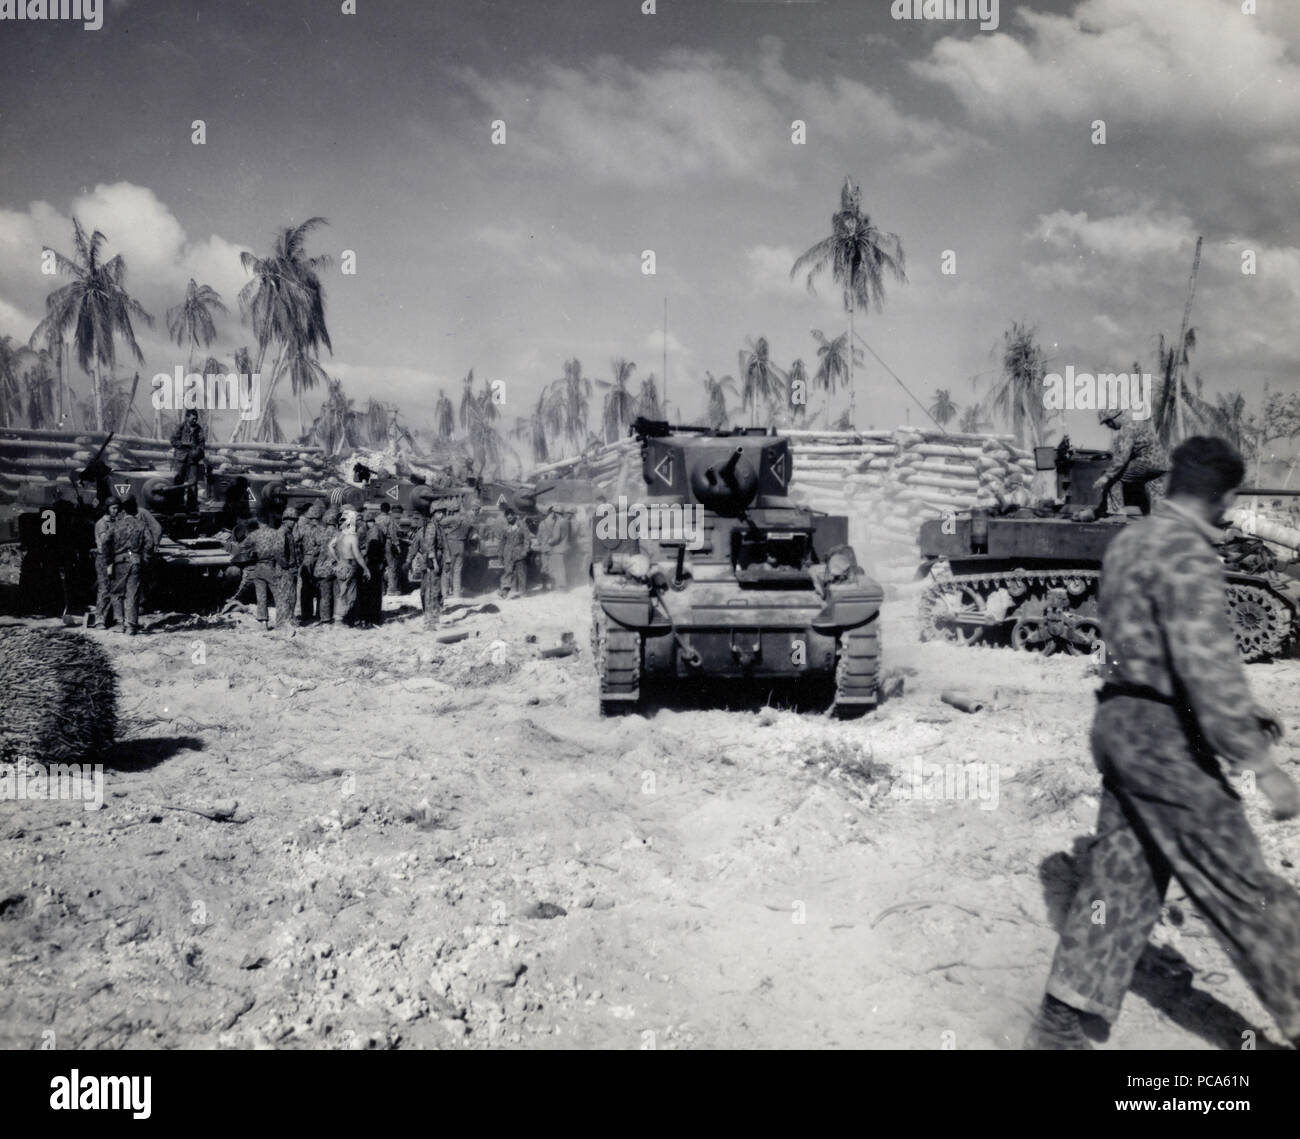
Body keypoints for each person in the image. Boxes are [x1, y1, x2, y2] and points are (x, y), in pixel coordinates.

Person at [1026, 436, 1300, 1050]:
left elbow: (1152, 645)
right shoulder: (1187, 553)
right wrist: (1260, 761)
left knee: (1122, 880)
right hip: (1166, 741)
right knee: (1245, 886)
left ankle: (1061, 1021)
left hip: (1120, 724)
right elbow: (1206, 665)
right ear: (1225, 496)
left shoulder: (1131, 542)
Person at [1095, 407, 1168, 516]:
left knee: (1114, 477)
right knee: (1154, 487)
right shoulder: (1135, 422)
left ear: (1113, 418)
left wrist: (1106, 476)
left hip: (1148, 462)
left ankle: (1115, 513)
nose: (1108, 426)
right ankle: (1158, 515)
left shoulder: (1127, 428)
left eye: (1107, 423)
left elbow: (1122, 458)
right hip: (1162, 464)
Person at [234, 516, 297, 631]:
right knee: (279, 595)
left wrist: (253, 553)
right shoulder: (275, 533)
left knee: (261, 596)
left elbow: (240, 547)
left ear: (259, 524)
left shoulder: (254, 534)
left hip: (258, 567)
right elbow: (281, 549)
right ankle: (281, 621)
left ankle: (263, 623)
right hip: (271, 566)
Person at [102, 495, 148, 634]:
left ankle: (119, 623)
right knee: (132, 593)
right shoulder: (141, 524)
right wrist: (144, 558)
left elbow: (105, 543)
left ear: (123, 510)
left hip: (119, 561)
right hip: (135, 561)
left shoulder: (116, 525)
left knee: (116, 593)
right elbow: (150, 543)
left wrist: (108, 561)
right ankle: (131, 626)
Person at [407, 503, 447, 628]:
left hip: (432, 562)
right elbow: (430, 547)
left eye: (442, 512)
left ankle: (432, 617)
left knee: (431, 590)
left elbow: (443, 545)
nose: (442, 515)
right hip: (431, 563)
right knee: (432, 591)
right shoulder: (431, 527)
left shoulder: (436, 527)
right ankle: (430, 620)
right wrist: (434, 562)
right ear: (434, 513)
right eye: (440, 512)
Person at [331, 506, 370, 626]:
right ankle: (340, 619)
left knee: (341, 592)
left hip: (340, 566)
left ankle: (340, 619)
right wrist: (365, 568)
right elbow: (358, 556)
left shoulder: (339, 535)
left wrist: (337, 560)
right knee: (350, 595)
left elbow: (330, 546)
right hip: (349, 566)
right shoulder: (352, 537)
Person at [169, 409, 206, 511]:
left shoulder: (199, 429)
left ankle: (192, 506)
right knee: (178, 482)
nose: (195, 420)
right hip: (180, 458)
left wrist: (198, 452)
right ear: (187, 417)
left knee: (193, 483)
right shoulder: (180, 427)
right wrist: (183, 444)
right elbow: (173, 440)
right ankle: (177, 505)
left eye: (196, 418)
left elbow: (202, 443)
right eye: (193, 418)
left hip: (193, 459)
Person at [92, 498, 121, 628]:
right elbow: (105, 542)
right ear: (107, 508)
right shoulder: (101, 523)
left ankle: (115, 618)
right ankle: (100, 619)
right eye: (113, 508)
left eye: (117, 508)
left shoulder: (117, 522)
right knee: (104, 588)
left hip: (115, 558)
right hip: (104, 558)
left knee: (116, 588)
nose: (116, 510)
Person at [311, 506, 340, 625]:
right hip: (337, 567)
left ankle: (325, 619)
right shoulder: (339, 534)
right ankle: (337, 618)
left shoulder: (320, 534)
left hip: (323, 568)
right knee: (337, 595)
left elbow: (314, 549)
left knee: (324, 596)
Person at [293, 503, 321, 623]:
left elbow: (295, 540)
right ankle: (320, 613)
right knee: (319, 587)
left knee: (305, 587)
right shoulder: (319, 530)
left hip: (305, 559)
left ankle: (306, 613)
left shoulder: (302, 528)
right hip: (317, 559)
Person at [439, 501, 472, 600]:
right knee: (458, 571)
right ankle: (457, 593)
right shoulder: (466, 520)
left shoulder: (451, 519)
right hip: (461, 545)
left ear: (451, 510)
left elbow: (439, 523)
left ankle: (444, 593)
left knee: (446, 570)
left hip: (451, 545)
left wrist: (447, 531)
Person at [537, 505, 570, 591]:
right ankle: (554, 586)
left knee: (546, 567)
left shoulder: (543, 523)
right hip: (556, 549)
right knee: (555, 568)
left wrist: (545, 543)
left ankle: (545, 586)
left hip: (549, 547)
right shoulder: (563, 521)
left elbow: (541, 537)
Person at [498, 510, 529, 600]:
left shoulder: (522, 524)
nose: (509, 519)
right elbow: (502, 541)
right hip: (508, 552)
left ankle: (523, 592)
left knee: (521, 572)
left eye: (511, 517)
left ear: (514, 516)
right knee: (508, 572)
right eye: (507, 517)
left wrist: (525, 551)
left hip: (519, 550)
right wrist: (500, 554)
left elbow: (527, 539)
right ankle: (504, 591)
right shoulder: (505, 527)